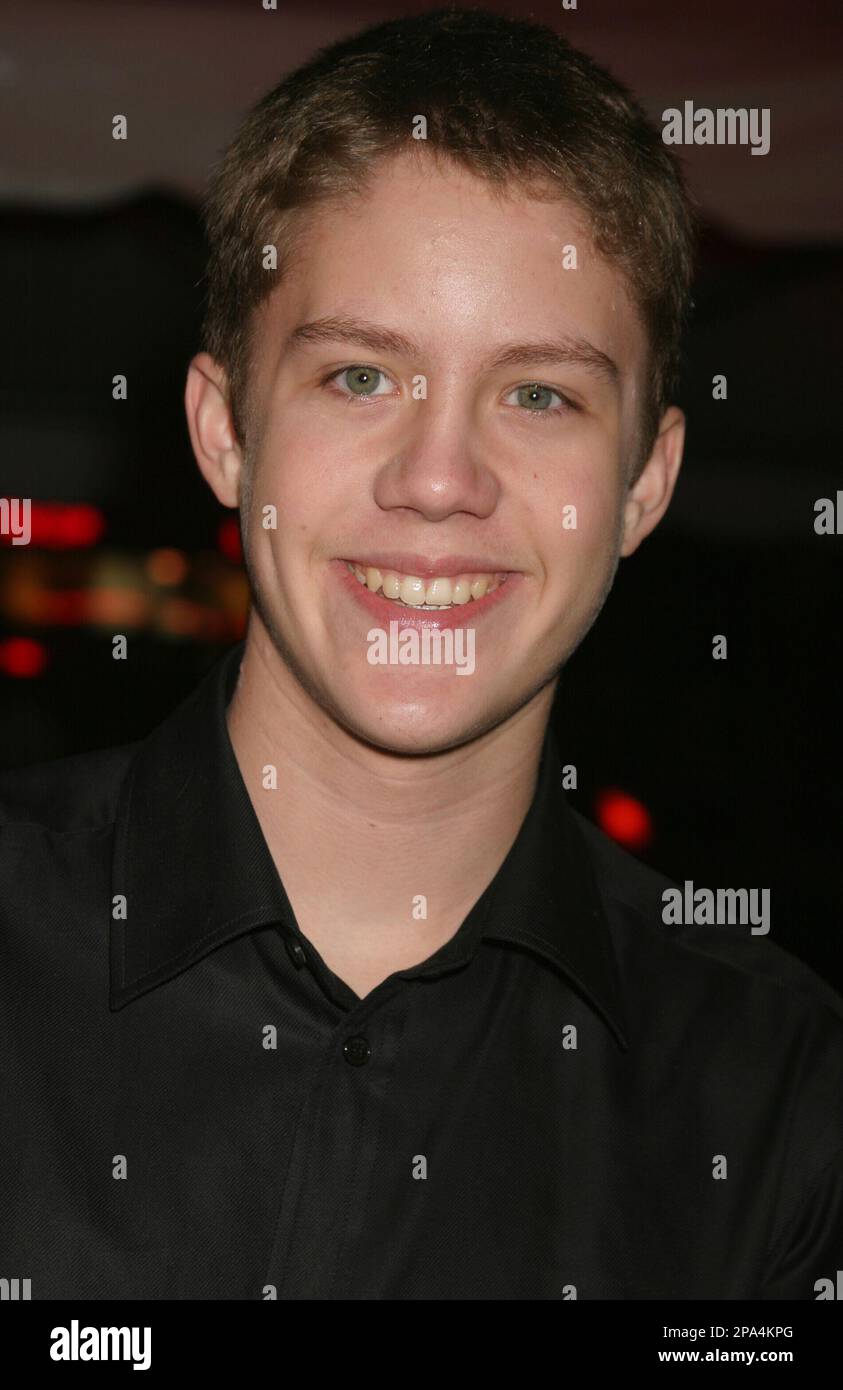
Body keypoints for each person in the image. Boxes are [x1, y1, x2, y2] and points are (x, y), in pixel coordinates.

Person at [2, 6, 841, 1301]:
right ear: (225, 428)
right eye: (359, 377)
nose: (441, 479)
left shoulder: (782, 1096)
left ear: (646, 481)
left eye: (540, 394)